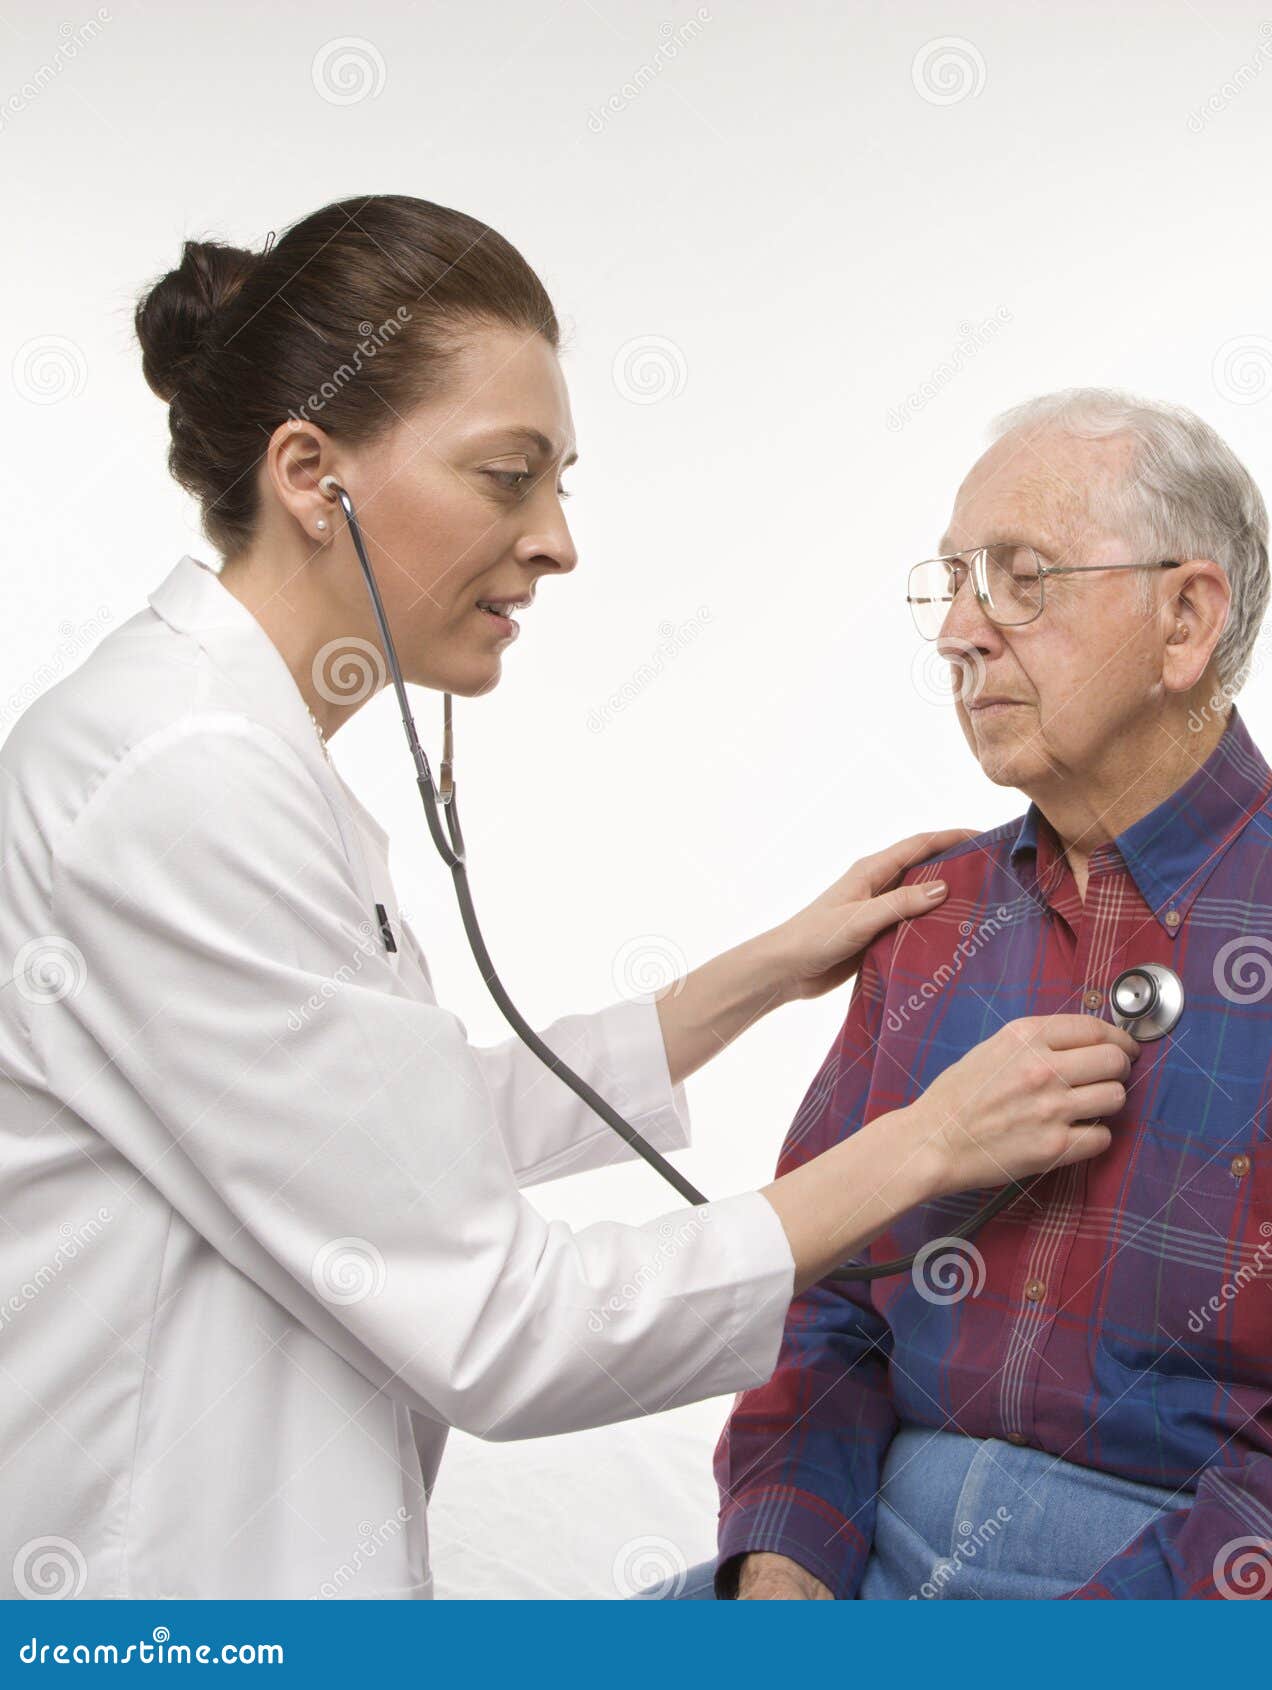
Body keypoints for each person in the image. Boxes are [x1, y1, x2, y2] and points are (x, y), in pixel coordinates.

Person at [0, 198, 1139, 1601]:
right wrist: (923, 1146)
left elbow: (374, 1137)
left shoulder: (216, 749)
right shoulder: (179, 780)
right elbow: (501, 1325)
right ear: (310, 475)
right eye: (506, 476)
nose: (556, 541)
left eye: (562, 483)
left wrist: (746, 980)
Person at [668, 388, 1272, 1600]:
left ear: (1184, 619)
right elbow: (822, 1316)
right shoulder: (930, 918)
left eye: (1019, 578)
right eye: (952, 582)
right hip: (891, 1550)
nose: (958, 632)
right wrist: (784, 1575)